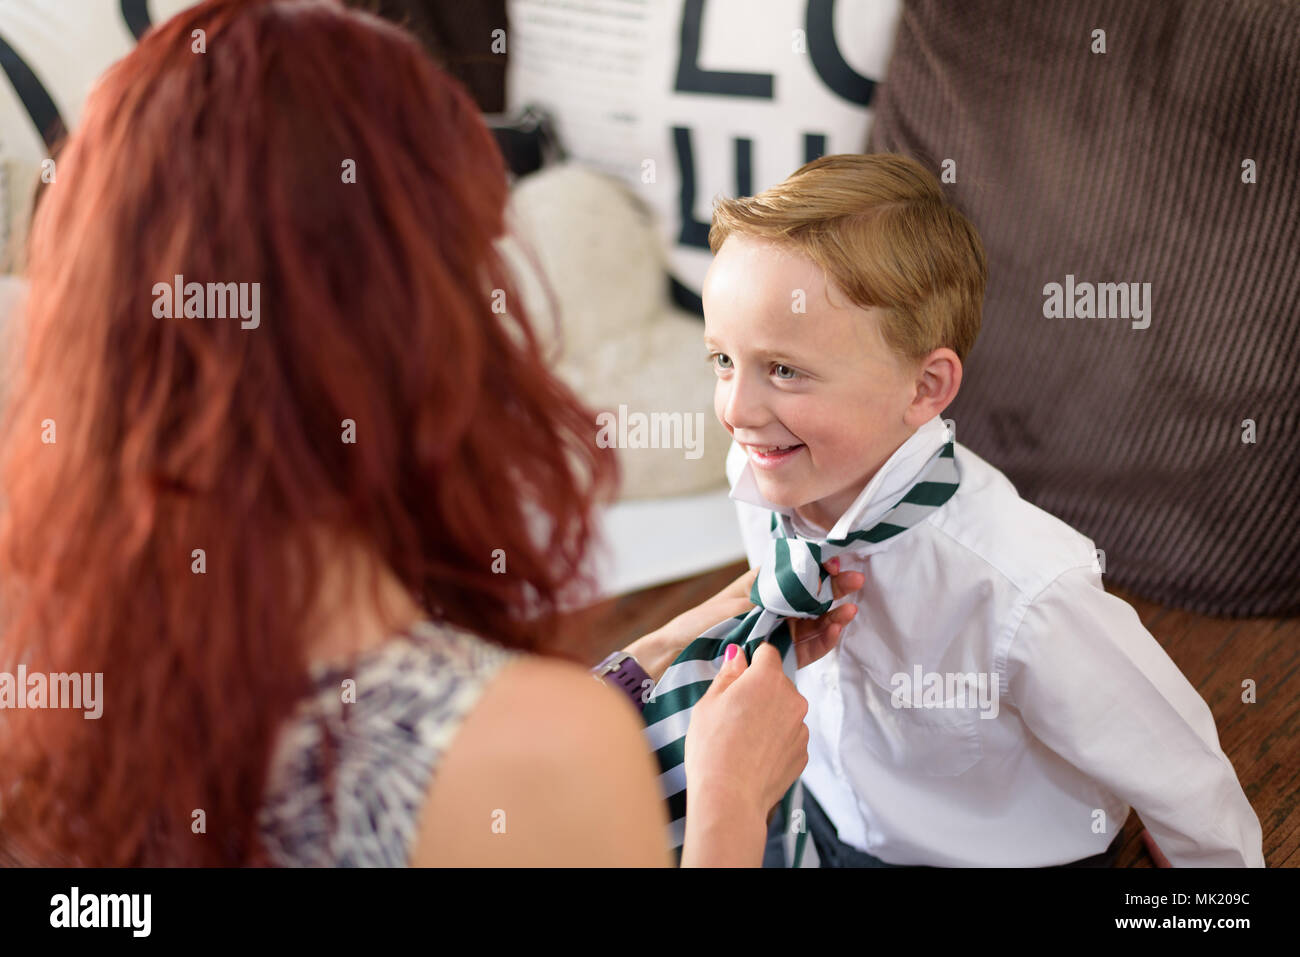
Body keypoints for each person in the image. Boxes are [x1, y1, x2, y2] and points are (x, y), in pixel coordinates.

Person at [0, 0, 863, 867]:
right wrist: (729, 802)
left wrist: (652, 660)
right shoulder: (536, 757)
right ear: (413, 315)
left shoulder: (50, 679)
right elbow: (492, 767)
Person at [701, 151, 1265, 867]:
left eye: (784, 369)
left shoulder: (1024, 587)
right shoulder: (764, 470)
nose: (737, 409)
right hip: (819, 816)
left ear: (925, 386)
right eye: (722, 359)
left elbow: (1180, 766)